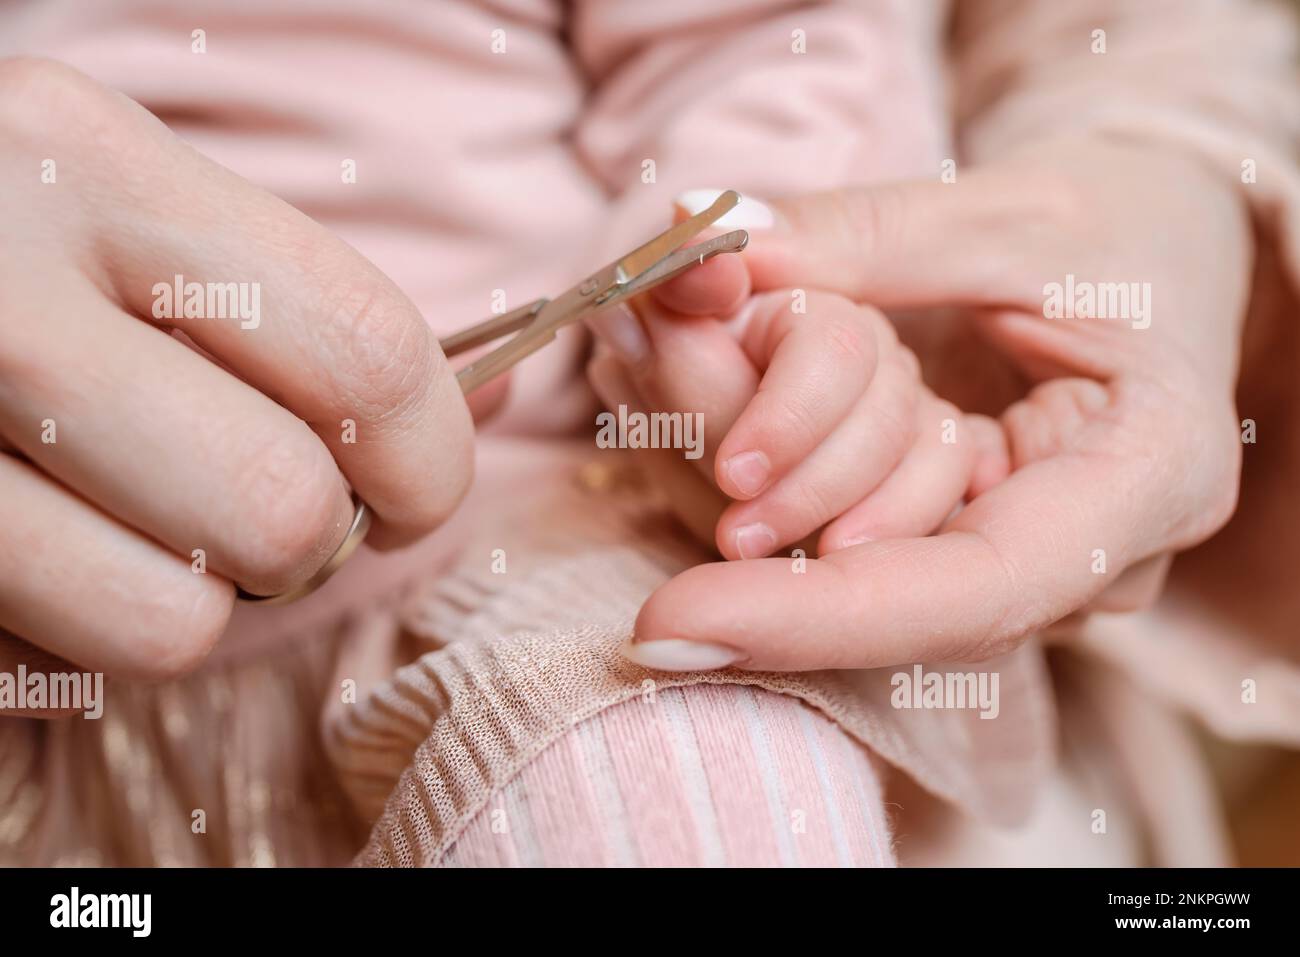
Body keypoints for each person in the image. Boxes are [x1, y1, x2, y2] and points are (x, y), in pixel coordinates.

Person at [1, 0, 1298, 867]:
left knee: (681, 763)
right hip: (51, 703)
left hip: (535, 580)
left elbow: (760, 51)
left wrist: (767, 339)